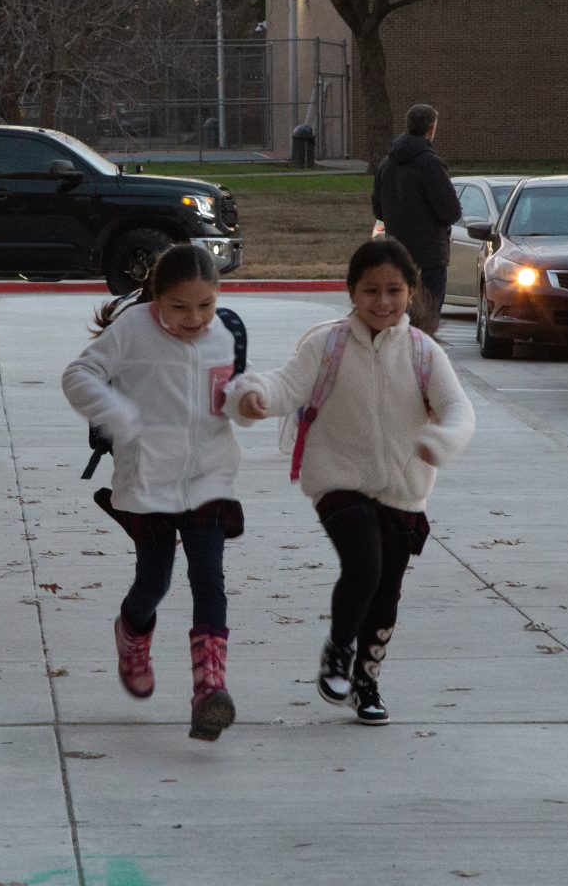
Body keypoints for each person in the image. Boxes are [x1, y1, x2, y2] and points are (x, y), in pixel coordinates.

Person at [227, 239, 474, 725]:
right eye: (370, 291)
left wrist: (441, 441)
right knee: (364, 565)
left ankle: (366, 679)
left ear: (411, 292)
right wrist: (252, 395)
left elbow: (458, 410)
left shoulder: (424, 354)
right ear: (351, 292)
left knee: (386, 592)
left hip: (404, 488)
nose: (382, 302)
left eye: (393, 291)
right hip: (337, 478)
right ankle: (339, 648)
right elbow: (285, 385)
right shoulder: (328, 344)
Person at [61, 245, 246, 742]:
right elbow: (78, 375)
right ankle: (132, 634)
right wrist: (117, 416)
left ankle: (210, 689)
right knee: (155, 582)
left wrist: (246, 403)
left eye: (205, 305)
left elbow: (225, 397)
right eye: (180, 306)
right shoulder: (132, 332)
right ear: (156, 298)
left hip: (209, 477)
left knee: (209, 576)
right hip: (149, 480)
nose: (194, 318)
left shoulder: (225, 332)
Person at [371, 103, 462, 333]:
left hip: (397, 253)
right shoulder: (431, 164)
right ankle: (421, 362)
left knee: (397, 317)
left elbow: (378, 209)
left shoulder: (386, 164)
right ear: (431, 129)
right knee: (427, 320)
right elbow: (452, 211)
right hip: (430, 254)